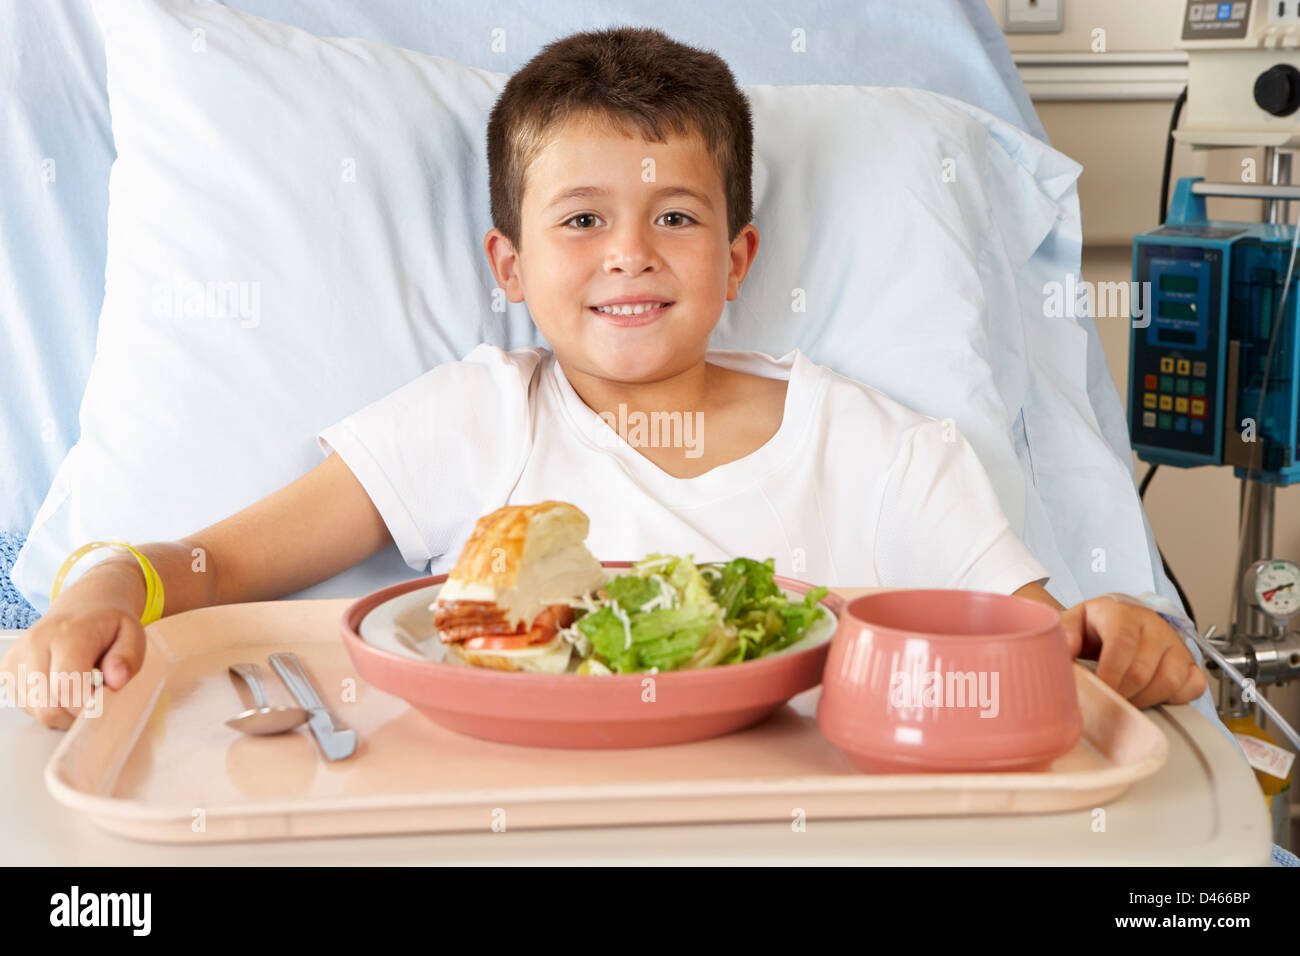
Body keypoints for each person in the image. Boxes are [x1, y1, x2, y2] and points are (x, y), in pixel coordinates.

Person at [2, 26, 1205, 729]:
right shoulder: (475, 419)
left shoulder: (882, 449)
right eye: (582, 219)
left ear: (736, 259)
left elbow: (1041, 652)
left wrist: (1114, 634)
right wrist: (100, 588)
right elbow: (211, 565)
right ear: (510, 266)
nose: (630, 249)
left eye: (674, 215)